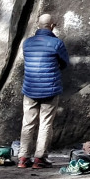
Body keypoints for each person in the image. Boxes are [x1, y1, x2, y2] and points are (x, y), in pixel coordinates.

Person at [19, 13, 70, 169]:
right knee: (45, 124)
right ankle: (39, 158)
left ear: (37, 24)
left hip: (30, 89)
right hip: (50, 89)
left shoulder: (27, 43)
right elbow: (64, 63)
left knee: (27, 123)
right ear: (52, 26)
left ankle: (22, 158)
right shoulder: (56, 44)